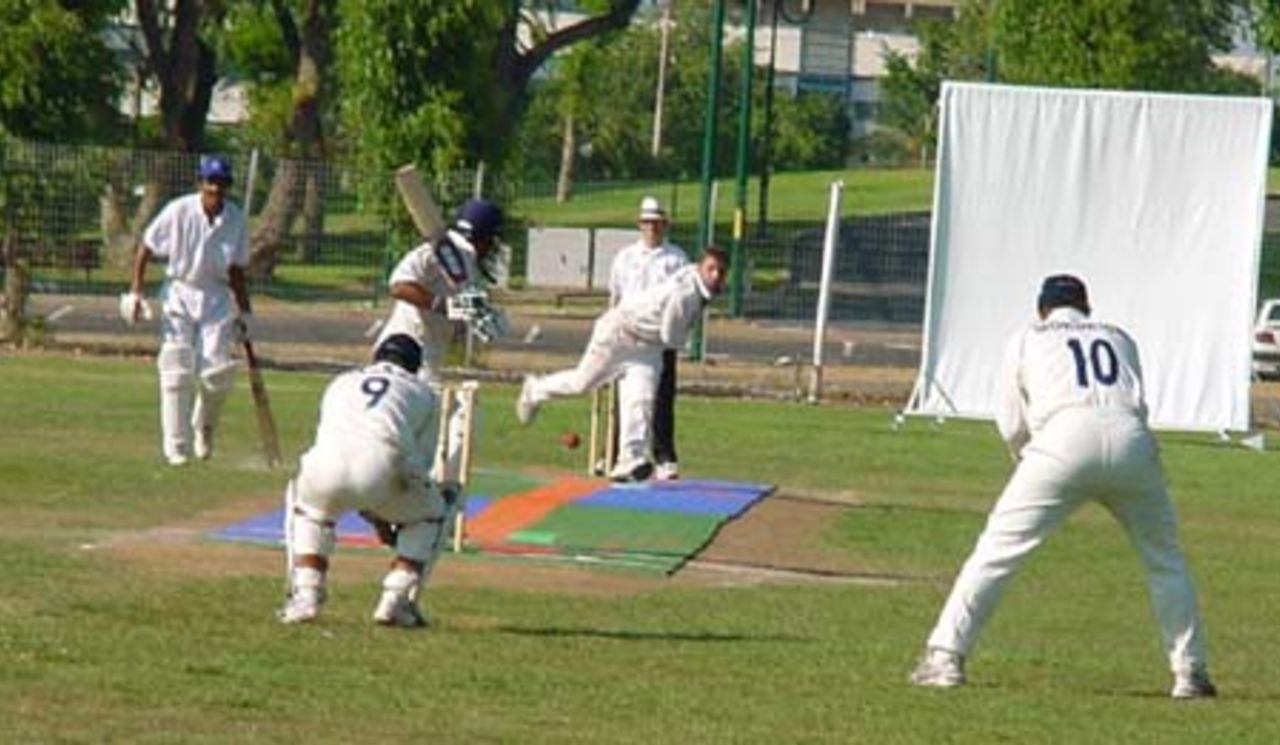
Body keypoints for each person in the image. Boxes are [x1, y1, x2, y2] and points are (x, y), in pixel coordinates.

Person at [909, 275, 1215, 699]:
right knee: (1165, 561)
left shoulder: (1027, 337)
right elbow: (1138, 400)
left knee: (996, 553)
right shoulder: (1119, 336)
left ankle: (945, 659)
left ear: (1042, 309)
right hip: (1131, 437)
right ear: (1087, 307)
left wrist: (1027, 460)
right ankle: (1191, 671)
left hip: (1062, 439)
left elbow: (1011, 421)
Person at [278, 334, 454, 627]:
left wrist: (375, 511)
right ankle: (395, 599)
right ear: (415, 366)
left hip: (325, 463)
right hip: (382, 464)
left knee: (310, 513)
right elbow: (420, 464)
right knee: (431, 514)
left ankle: (306, 595)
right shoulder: (424, 393)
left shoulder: (341, 382)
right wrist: (387, 515)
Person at [516, 247, 729, 481]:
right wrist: (689, 347)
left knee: (641, 400)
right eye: (711, 269)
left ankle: (629, 460)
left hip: (648, 347)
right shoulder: (685, 293)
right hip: (618, 333)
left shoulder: (695, 282)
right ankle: (535, 389)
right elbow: (669, 336)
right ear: (700, 267)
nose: (715, 275)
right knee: (581, 384)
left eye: (721, 271)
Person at [121, 155, 251, 466]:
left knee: (217, 372)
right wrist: (136, 292)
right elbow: (146, 248)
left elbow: (236, 269)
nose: (215, 189)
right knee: (176, 366)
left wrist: (245, 312)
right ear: (201, 182)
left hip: (216, 297)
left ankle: (204, 426)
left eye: (221, 183)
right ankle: (176, 446)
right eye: (210, 182)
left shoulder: (235, 219)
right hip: (179, 291)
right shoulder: (178, 210)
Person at [375, 197, 508, 488]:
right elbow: (398, 285)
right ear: (486, 237)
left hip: (427, 358)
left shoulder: (468, 267)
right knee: (449, 420)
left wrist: (472, 317)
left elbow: (459, 310)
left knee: (439, 423)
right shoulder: (439, 250)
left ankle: (424, 487)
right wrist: (443, 306)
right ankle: (432, 491)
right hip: (404, 353)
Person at [607, 196, 689, 480]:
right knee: (627, 397)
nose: (651, 228)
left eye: (656, 223)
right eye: (647, 223)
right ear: (639, 225)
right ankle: (620, 455)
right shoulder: (625, 257)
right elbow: (615, 297)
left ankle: (664, 456)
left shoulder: (676, 259)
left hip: (659, 337)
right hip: (629, 336)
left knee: (661, 398)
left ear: (664, 225)